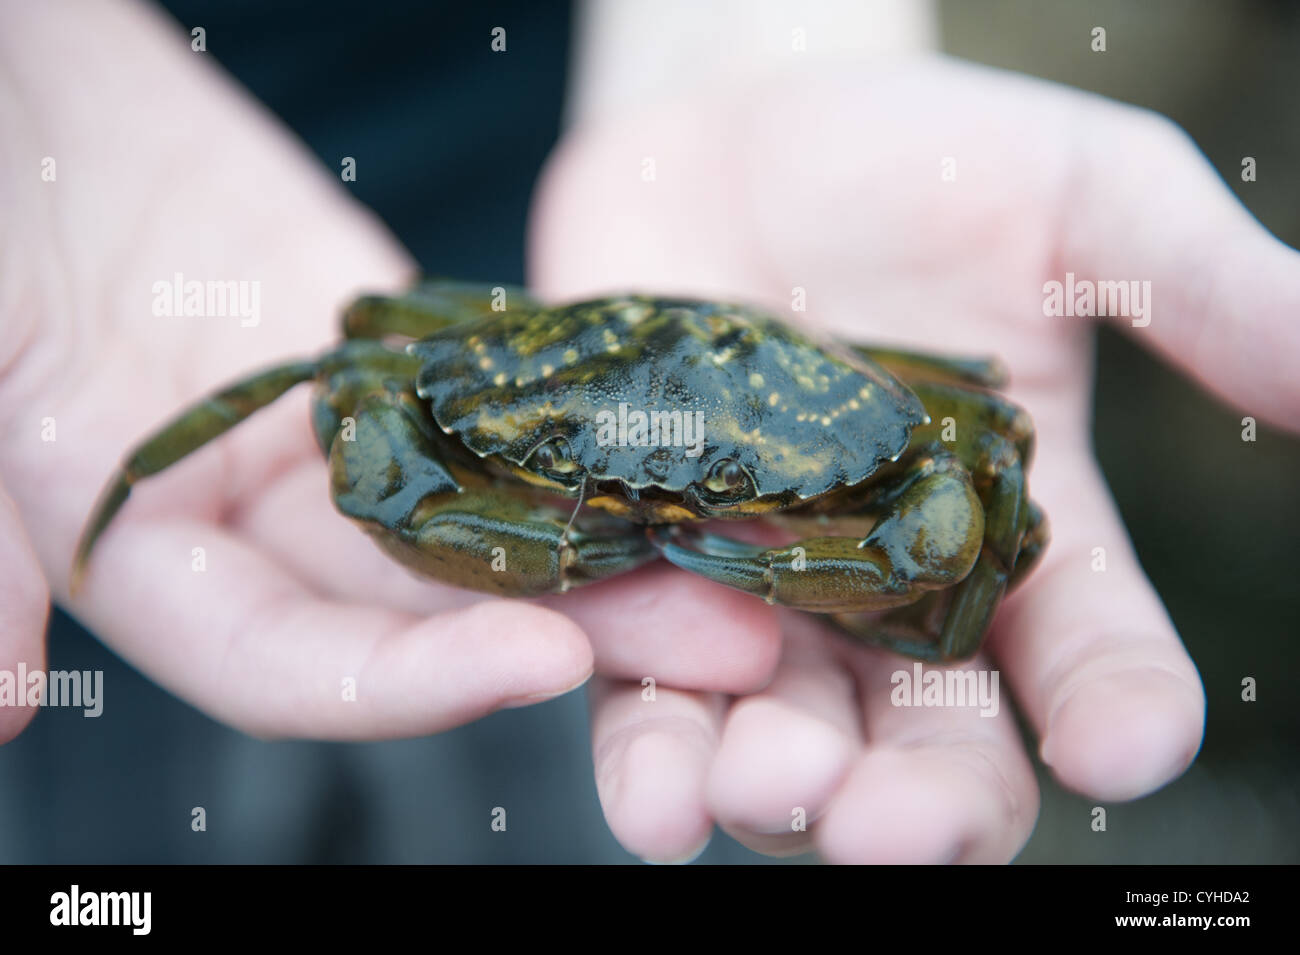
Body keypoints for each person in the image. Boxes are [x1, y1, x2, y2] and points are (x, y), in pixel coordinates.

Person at [2, 0, 1295, 863]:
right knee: (137, 763)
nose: (669, 503)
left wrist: (761, 45)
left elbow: (975, 490)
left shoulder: (893, 423)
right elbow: (349, 390)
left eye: (709, 490)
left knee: (594, 796)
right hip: (202, 193)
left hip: (532, 121)